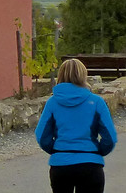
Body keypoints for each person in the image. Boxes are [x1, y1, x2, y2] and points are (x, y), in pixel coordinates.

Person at [34, 58, 118, 193]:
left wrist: (56, 150)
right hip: (90, 164)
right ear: (83, 75)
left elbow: (42, 135)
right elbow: (110, 137)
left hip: (60, 165)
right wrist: (97, 152)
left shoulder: (52, 102)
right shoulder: (96, 102)